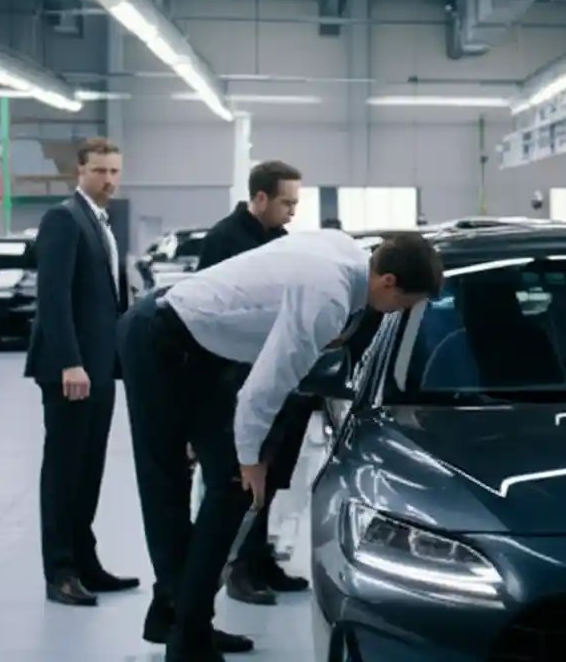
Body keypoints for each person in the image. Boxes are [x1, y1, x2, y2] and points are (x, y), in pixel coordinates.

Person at [118, 230, 442, 662]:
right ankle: (185, 635)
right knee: (180, 485)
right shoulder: (327, 300)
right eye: (404, 304)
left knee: (223, 487)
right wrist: (250, 459)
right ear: (387, 282)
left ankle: (179, 619)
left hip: (198, 346)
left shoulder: (345, 255)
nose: (398, 313)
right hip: (158, 341)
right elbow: (264, 390)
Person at [25, 137, 138, 606]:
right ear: (80, 171)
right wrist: (70, 361)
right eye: (100, 171)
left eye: (115, 171)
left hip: (98, 367)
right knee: (64, 470)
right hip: (71, 369)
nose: (109, 180)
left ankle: (85, 560)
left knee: (89, 468)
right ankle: (61, 571)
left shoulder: (102, 222)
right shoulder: (63, 219)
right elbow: (52, 298)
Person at [195, 160, 310, 605]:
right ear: (259, 198)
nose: (292, 211)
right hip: (235, 379)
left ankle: (260, 558)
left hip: (273, 372)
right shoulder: (224, 241)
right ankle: (239, 566)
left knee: (272, 473)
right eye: (286, 202)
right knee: (242, 478)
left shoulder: (280, 241)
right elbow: (209, 314)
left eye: (296, 203)